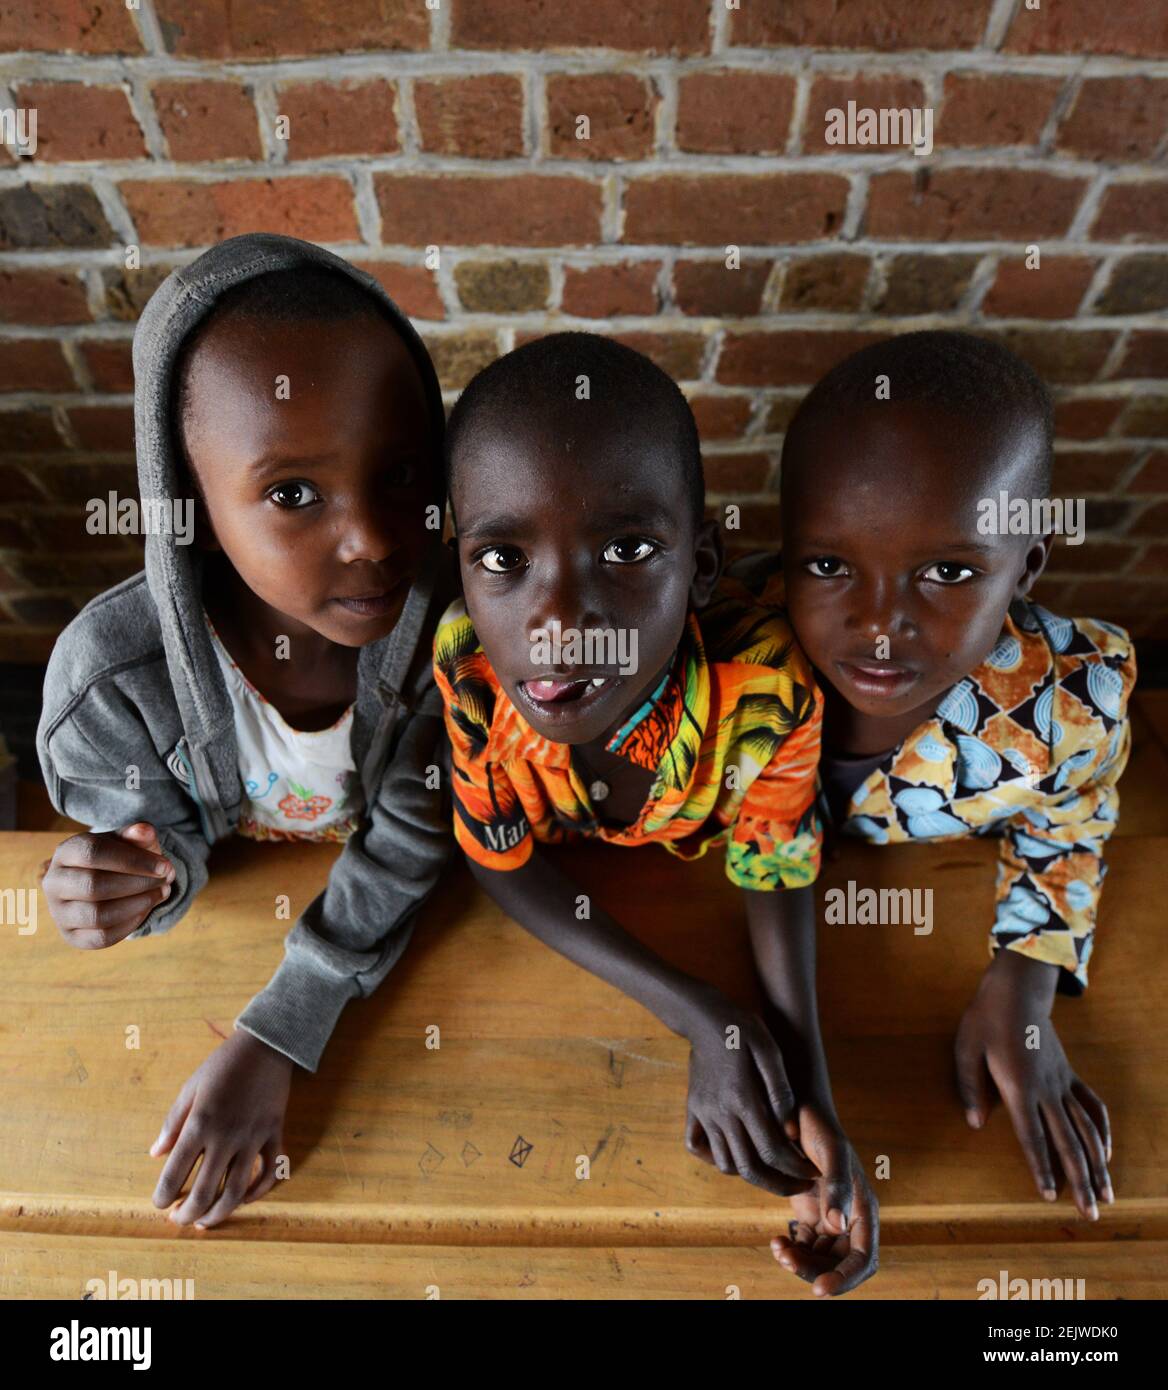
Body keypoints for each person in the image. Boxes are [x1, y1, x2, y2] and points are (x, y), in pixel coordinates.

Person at [433, 332, 878, 1297]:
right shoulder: (469, 665)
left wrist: (813, 1100)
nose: (558, 618)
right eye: (504, 556)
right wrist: (702, 1016)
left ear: (702, 563)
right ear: (462, 567)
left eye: (628, 550)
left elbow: (773, 864)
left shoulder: (764, 694)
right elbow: (497, 856)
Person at [37, 233, 457, 1228]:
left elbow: (415, 836)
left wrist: (279, 1032)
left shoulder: (459, 633)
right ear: (190, 503)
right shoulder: (110, 684)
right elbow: (152, 847)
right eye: (293, 494)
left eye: (401, 474)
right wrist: (137, 878)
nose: (370, 540)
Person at [776, 330, 1135, 1223]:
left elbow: (1075, 812)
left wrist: (1026, 974)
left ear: (1026, 568)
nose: (880, 625)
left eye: (948, 571)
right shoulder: (730, 661)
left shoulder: (1070, 705)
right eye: (828, 565)